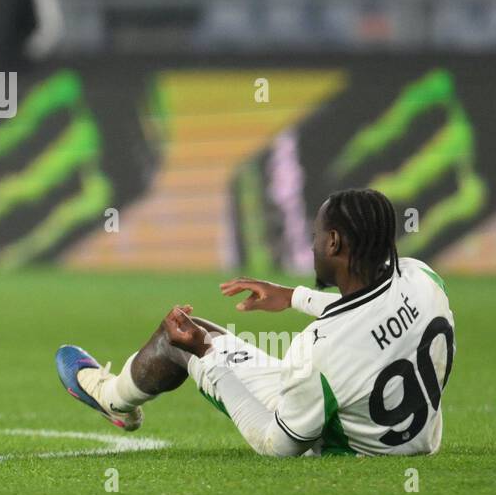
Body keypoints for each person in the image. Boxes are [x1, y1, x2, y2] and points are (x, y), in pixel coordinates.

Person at [57, 189, 456, 457]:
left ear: (334, 243)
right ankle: (125, 395)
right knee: (206, 333)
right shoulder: (423, 279)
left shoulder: (318, 350)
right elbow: (370, 318)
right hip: (415, 440)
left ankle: (112, 398)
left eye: (316, 235)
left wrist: (205, 357)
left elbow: (277, 445)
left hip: (339, 439)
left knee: (181, 337)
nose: (312, 244)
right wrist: (296, 297)